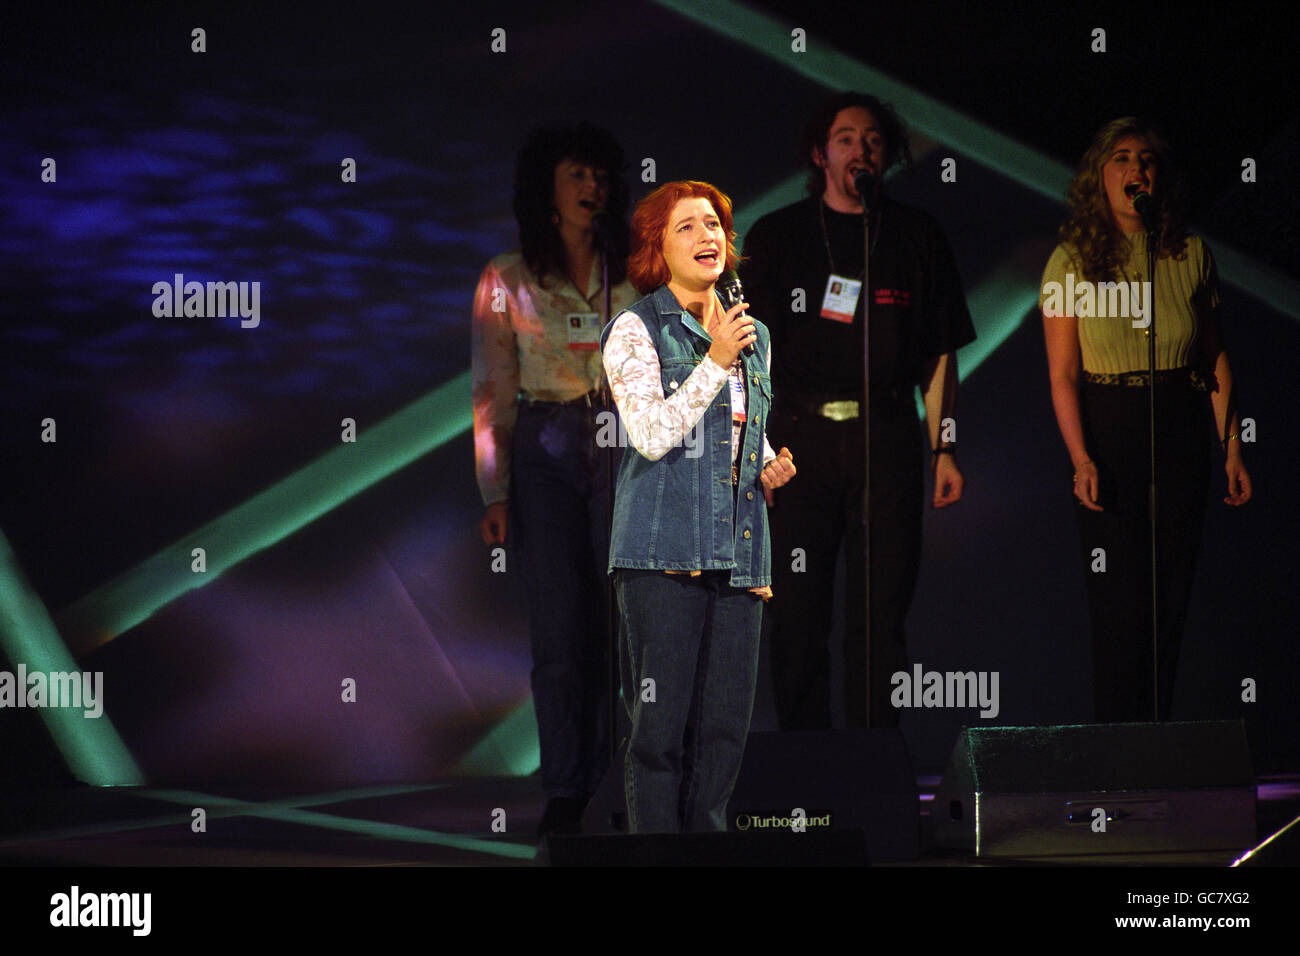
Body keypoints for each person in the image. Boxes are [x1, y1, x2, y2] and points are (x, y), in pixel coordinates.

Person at [740, 92, 975, 730]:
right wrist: (750, 452)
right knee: (797, 615)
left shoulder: (917, 236)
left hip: (889, 439)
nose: (860, 151)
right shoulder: (778, 236)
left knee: (880, 618)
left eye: (872, 140)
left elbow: (939, 355)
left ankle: (873, 775)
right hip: (798, 444)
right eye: (845, 139)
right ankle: (806, 780)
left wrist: (943, 447)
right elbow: (745, 358)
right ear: (821, 153)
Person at [1040, 117, 1252, 722]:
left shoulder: (1189, 252)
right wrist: (1081, 458)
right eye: (1122, 159)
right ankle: (1119, 752)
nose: (1137, 170)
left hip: (1181, 423)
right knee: (1118, 602)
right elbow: (1062, 375)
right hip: (1109, 425)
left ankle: (1159, 746)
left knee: (1170, 598)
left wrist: (1231, 445)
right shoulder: (1071, 259)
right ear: (1100, 177)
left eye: (1148, 160)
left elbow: (1214, 357)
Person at [601, 181, 795, 832]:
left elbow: (739, 422)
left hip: (740, 551)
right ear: (658, 247)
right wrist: (712, 362)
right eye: (686, 227)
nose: (706, 236)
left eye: (713, 224)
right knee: (657, 732)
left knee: (723, 734)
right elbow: (653, 434)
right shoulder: (635, 330)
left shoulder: (752, 333)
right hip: (662, 550)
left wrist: (767, 457)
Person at [471, 123, 637, 835]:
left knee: (621, 621)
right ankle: (567, 785)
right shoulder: (508, 276)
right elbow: (492, 388)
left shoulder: (633, 269)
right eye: (577, 175)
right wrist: (495, 489)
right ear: (548, 189)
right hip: (545, 443)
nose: (591, 188)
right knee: (562, 628)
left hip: (624, 439)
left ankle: (618, 781)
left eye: (599, 176)